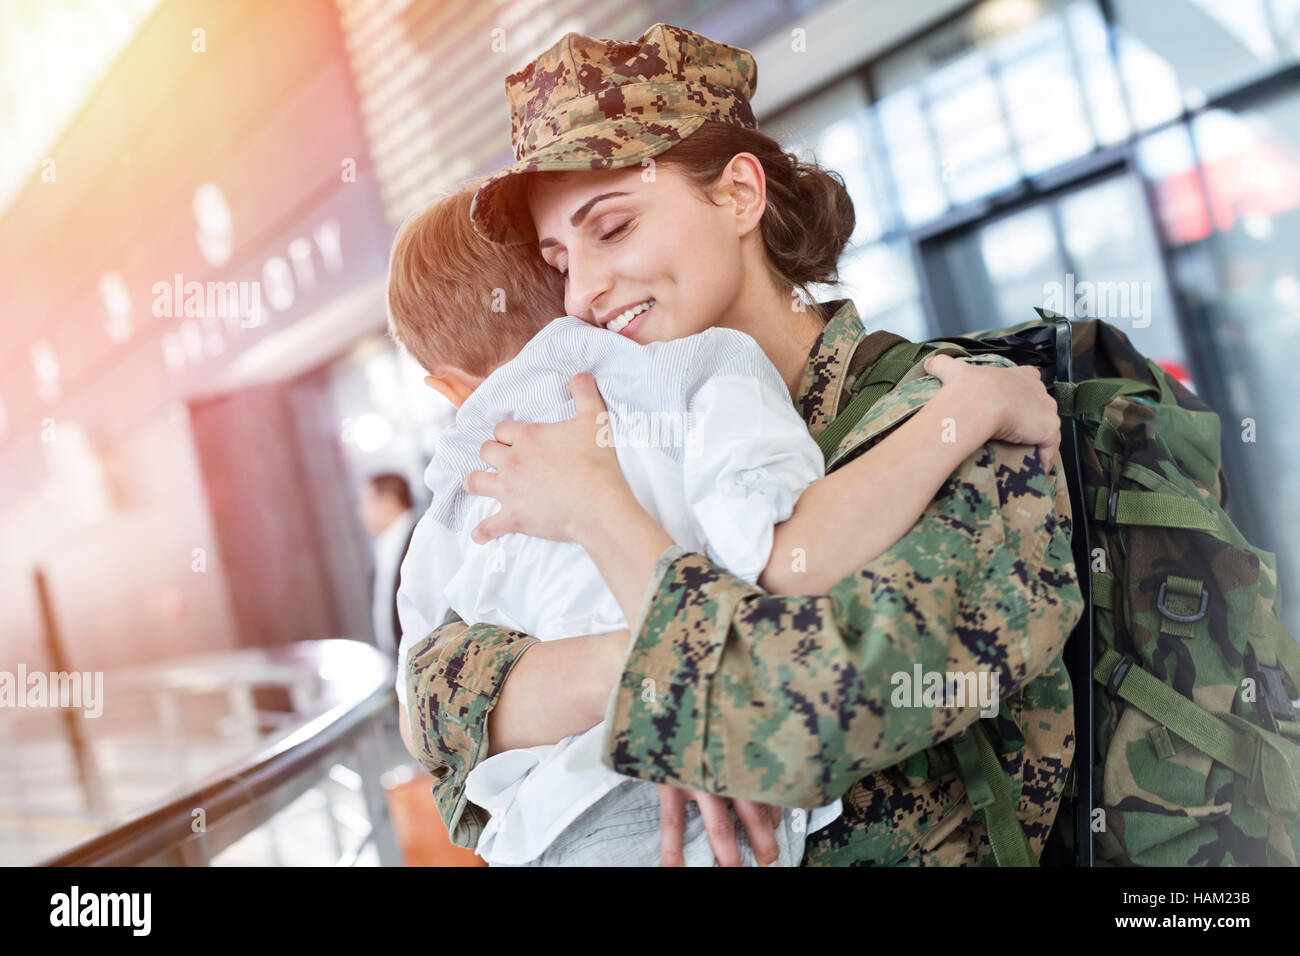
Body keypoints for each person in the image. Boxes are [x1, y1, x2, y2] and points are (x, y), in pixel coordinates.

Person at [404, 22, 1085, 867]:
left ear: (738, 195)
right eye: (557, 257)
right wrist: (664, 687)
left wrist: (597, 520)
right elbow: (434, 711)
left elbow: (790, 722)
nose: (581, 292)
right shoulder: (617, 441)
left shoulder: (945, 417)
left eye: (611, 229)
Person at [358, 472, 416, 660]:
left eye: (366, 502)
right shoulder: (383, 547)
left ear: (388, 501)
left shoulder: (419, 538)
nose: (360, 512)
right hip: (397, 662)